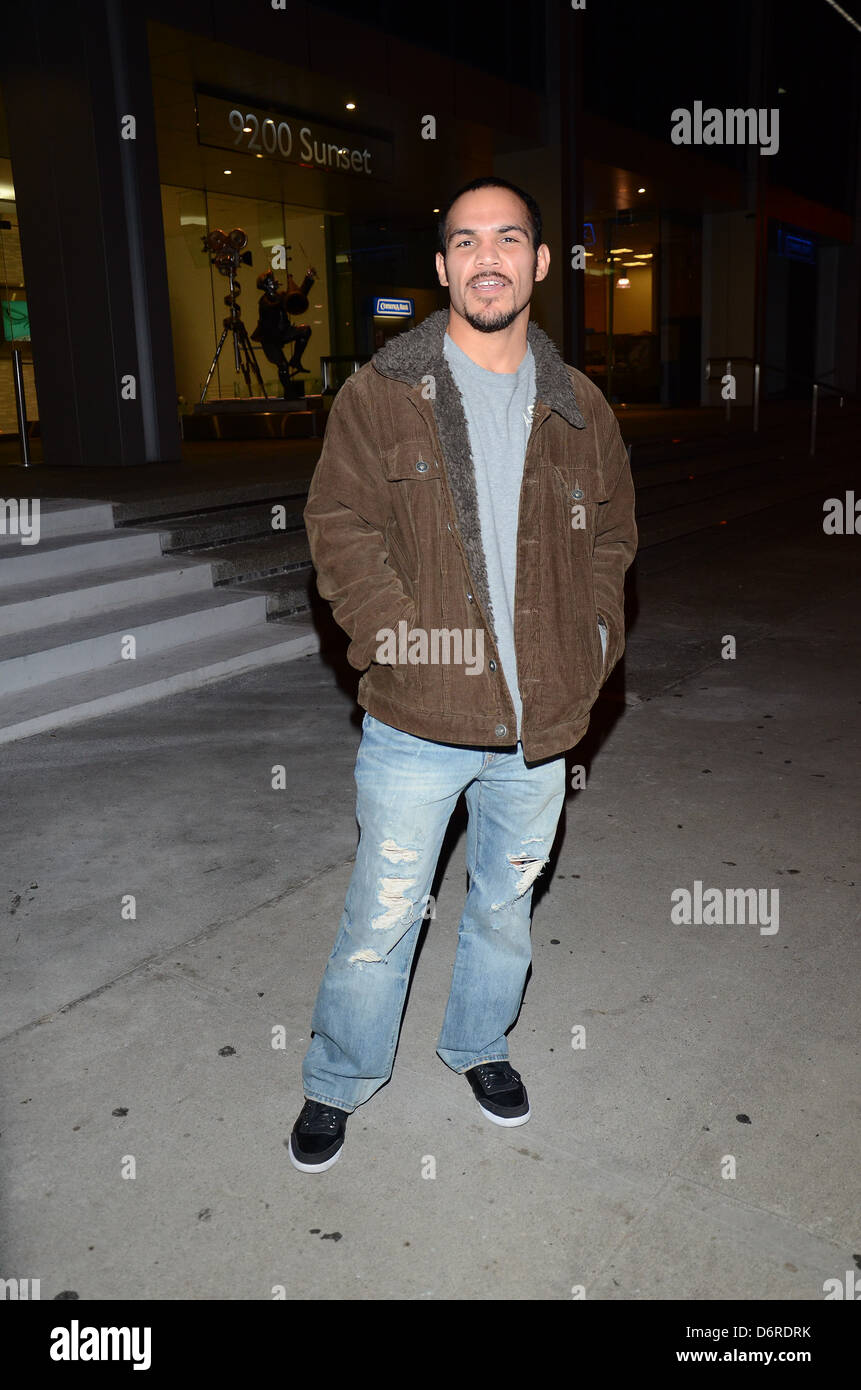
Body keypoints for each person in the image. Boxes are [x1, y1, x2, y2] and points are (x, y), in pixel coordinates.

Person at [289, 176, 637, 1172]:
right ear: (443, 268)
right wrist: (397, 638)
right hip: (418, 717)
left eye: (511, 239)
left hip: (542, 725)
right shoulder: (383, 395)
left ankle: (479, 1044)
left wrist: (598, 637)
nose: (489, 256)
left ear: (537, 263)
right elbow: (339, 526)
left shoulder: (581, 408)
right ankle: (338, 1075)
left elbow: (613, 534)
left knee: (503, 902)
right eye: (467, 241)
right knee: (385, 909)